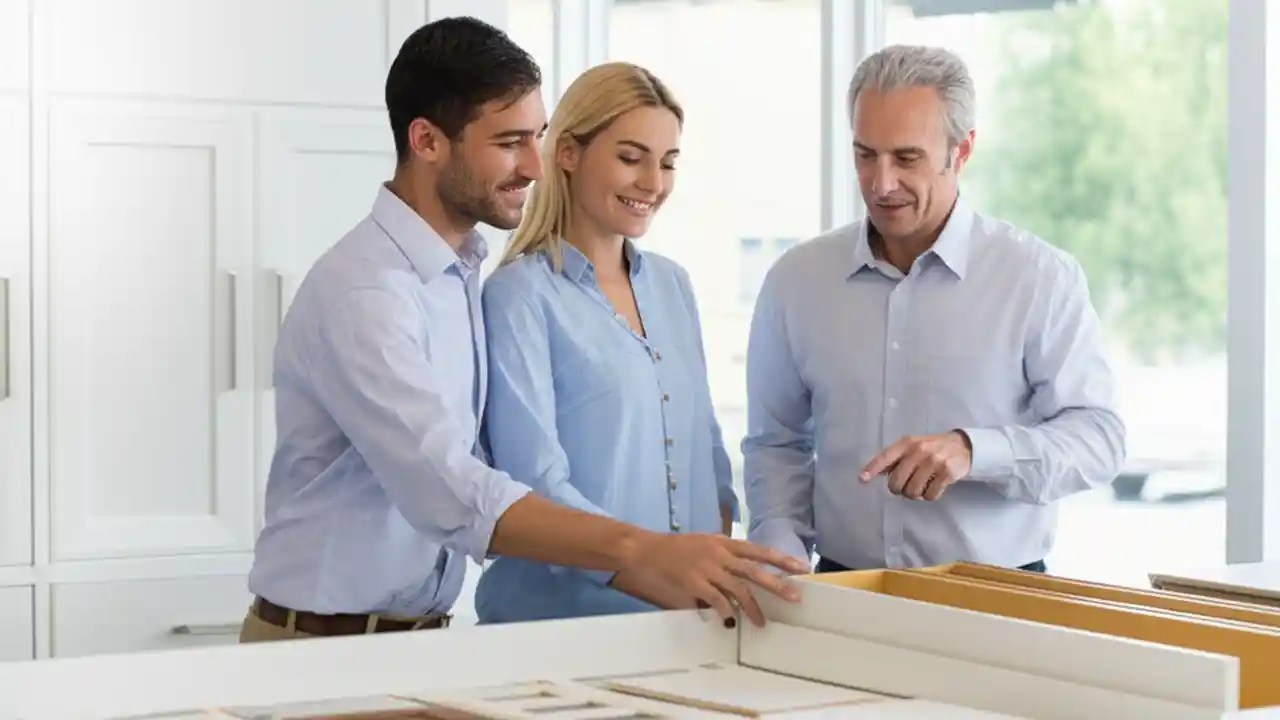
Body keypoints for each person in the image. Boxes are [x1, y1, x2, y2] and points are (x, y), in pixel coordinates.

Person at [242, 17, 805, 644]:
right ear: (427, 141)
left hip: (414, 637)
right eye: (510, 142)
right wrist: (643, 554)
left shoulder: (457, 276)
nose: (536, 167)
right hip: (325, 645)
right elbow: (451, 492)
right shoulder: (370, 294)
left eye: (537, 137)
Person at [742, 45, 1126, 575]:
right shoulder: (797, 281)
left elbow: (1099, 439)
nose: (881, 184)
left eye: (906, 158)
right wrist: (781, 550)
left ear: (961, 151)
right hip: (839, 592)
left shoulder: (1037, 278)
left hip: (1000, 601)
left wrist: (975, 451)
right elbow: (776, 442)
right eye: (864, 154)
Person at [474, 62, 737, 624]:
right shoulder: (519, 296)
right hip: (560, 623)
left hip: (682, 625)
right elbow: (535, 485)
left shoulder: (673, 285)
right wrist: (652, 566)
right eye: (630, 157)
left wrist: (710, 570)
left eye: (667, 163)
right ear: (567, 153)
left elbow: (705, 447)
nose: (653, 183)